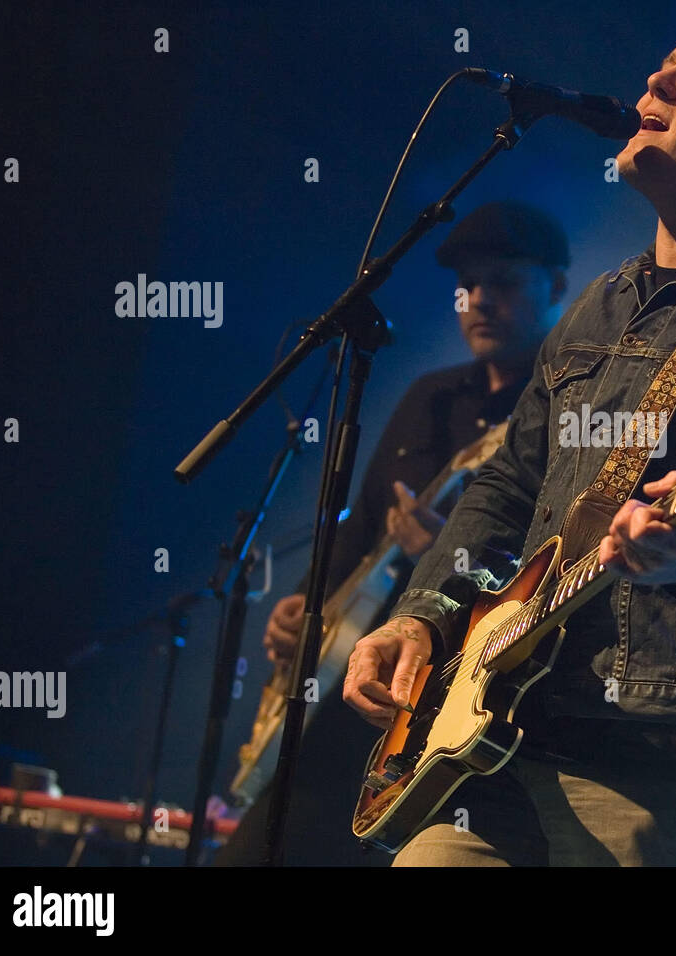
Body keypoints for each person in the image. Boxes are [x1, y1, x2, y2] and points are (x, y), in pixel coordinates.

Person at [344, 12, 676, 867]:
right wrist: (420, 616)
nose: (657, 83)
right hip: (490, 737)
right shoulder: (597, 307)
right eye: (662, 66)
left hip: (660, 754)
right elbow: (507, 488)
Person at [214, 201, 569, 865]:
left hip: (453, 699)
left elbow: (558, 548)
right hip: (353, 676)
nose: (481, 300)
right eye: (469, 286)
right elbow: (359, 527)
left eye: (505, 282)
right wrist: (308, 607)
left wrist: (446, 555)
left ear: (555, 288)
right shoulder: (428, 396)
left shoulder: (559, 404)